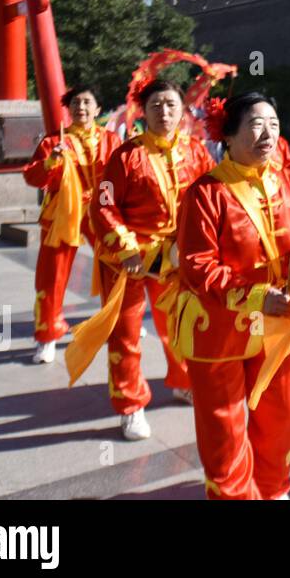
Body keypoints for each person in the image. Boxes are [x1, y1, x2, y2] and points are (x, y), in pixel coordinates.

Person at [172, 92, 290, 499]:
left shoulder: (287, 182)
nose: (267, 133)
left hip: (275, 322)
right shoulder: (205, 193)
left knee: (278, 416)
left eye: (274, 124)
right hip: (216, 326)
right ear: (228, 136)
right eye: (255, 124)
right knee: (225, 428)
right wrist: (253, 297)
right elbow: (197, 266)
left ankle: (273, 489)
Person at [91, 78, 214, 440]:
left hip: (175, 258)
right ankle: (131, 405)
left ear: (182, 111)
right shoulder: (126, 155)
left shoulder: (196, 152)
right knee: (126, 334)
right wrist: (126, 247)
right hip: (128, 259)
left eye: (171, 105)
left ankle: (183, 380)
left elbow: (213, 197)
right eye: (156, 105)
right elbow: (103, 205)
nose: (164, 112)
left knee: (179, 326)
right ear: (142, 111)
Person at [23, 85, 121, 364]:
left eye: (87, 102)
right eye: (76, 103)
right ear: (69, 109)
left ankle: (118, 322)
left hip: (102, 210)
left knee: (114, 267)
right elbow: (33, 178)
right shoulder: (53, 142)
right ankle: (47, 335)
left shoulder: (111, 140)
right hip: (62, 213)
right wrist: (52, 160)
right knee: (51, 276)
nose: (81, 108)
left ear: (98, 109)